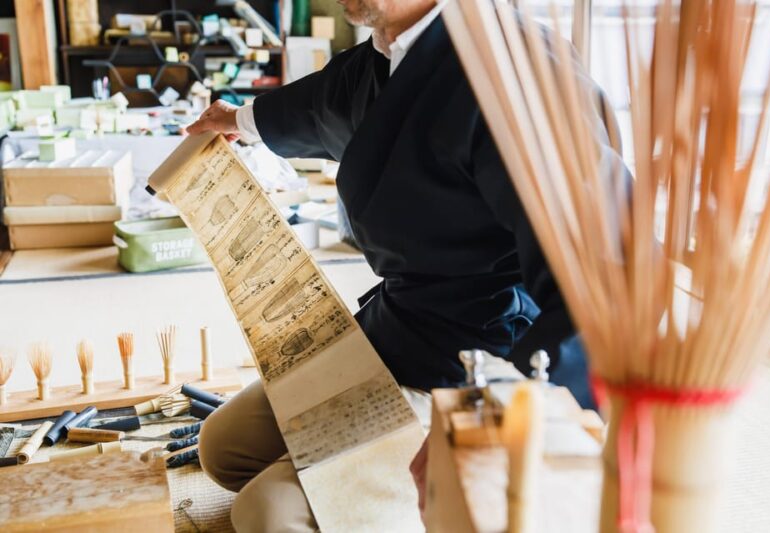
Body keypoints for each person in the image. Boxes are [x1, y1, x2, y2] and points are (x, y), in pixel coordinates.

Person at [188, 1, 621, 531]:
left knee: (267, 512)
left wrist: (490, 423)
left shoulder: (519, 74)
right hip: (400, 327)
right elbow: (319, 107)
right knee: (224, 448)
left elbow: (602, 281)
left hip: (480, 357)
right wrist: (238, 120)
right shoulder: (385, 56)